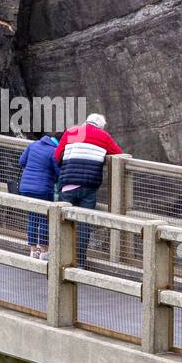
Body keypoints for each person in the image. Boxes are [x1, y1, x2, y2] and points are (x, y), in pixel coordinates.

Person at [54, 113, 123, 266]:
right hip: (89, 187)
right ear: (101, 126)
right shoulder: (104, 136)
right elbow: (119, 155)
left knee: (63, 220)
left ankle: (61, 258)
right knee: (84, 224)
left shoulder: (72, 132)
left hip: (68, 184)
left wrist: (66, 169)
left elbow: (57, 156)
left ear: (86, 121)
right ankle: (80, 262)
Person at [17, 131, 59, 258]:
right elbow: (58, 172)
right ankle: (44, 250)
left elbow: (21, 161)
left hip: (26, 188)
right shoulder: (54, 151)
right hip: (43, 190)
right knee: (44, 219)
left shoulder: (33, 145)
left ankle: (33, 250)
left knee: (32, 218)